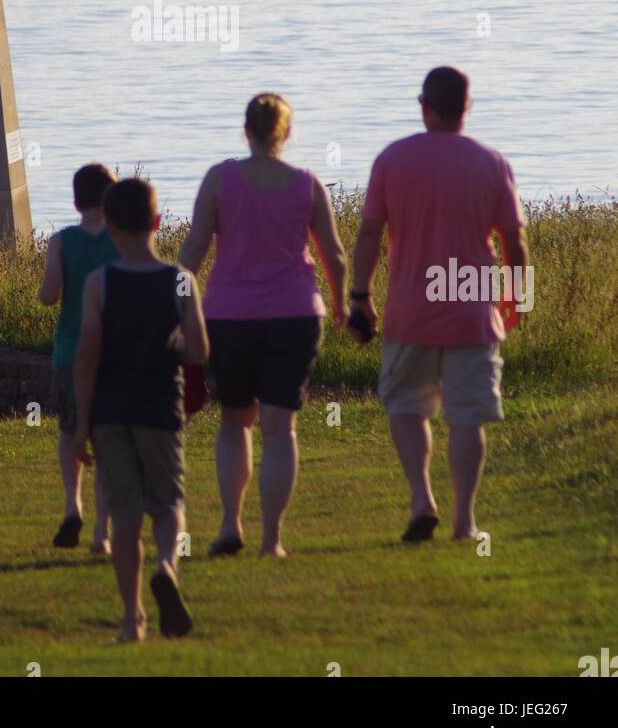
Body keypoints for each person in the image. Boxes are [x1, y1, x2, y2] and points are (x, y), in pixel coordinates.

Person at [351, 66, 529, 543]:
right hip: (471, 303)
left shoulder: (393, 159)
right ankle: (464, 520)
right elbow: (513, 240)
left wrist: (359, 294)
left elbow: (369, 232)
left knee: (407, 406)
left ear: (423, 105)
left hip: (411, 304)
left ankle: (420, 498)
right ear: (467, 108)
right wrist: (519, 297)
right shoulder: (491, 163)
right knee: (467, 415)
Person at [179, 93, 348, 558]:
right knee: (279, 429)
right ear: (286, 133)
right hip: (295, 315)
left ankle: (230, 525)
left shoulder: (220, 179)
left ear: (246, 131)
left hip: (229, 317)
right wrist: (341, 305)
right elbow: (333, 253)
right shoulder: (307, 184)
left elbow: (193, 251)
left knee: (235, 423)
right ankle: (271, 539)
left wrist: (174, 305)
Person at [74, 177, 208, 643]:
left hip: (111, 411)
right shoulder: (181, 281)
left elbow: (87, 357)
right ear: (157, 221)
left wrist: (79, 425)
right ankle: (167, 566)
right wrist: (172, 342)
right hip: (160, 408)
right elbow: (199, 353)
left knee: (126, 515)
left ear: (110, 227)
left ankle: (133, 619)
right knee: (168, 501)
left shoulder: (99, 284)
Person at [39, 163, 119, 552]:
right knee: (107, 439)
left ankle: (73, 505)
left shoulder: (61, 242)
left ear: (75, 200)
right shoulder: (122, 240)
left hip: (70, 352)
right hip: (112, 354)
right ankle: (102, 533)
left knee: (71, 430)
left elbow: (48, 294)